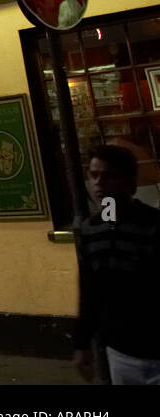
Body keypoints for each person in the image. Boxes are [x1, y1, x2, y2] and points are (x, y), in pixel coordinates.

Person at [73, 144, 160, 384]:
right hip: (120, 352)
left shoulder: (152, 226)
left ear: (129, 182)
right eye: (94, 175)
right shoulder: (91, 230)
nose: (99, 183)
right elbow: (89, 291)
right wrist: (82, 345)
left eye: (108, 176)